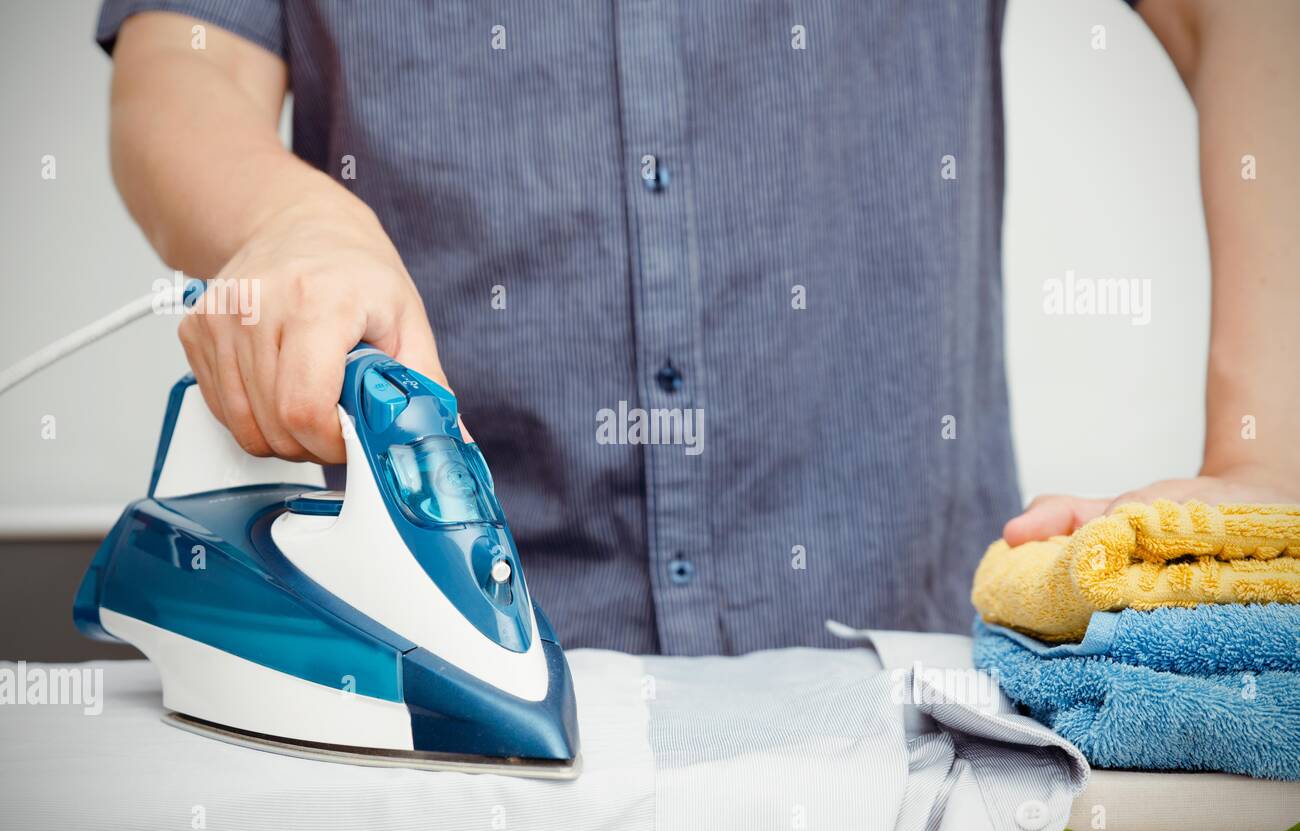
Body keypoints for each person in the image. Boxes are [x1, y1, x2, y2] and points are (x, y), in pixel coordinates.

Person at [96, 1, 1299, 654]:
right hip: (448, 733)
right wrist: (292, 224)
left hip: (898, 692)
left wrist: (1261, 457)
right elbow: (178, 75)